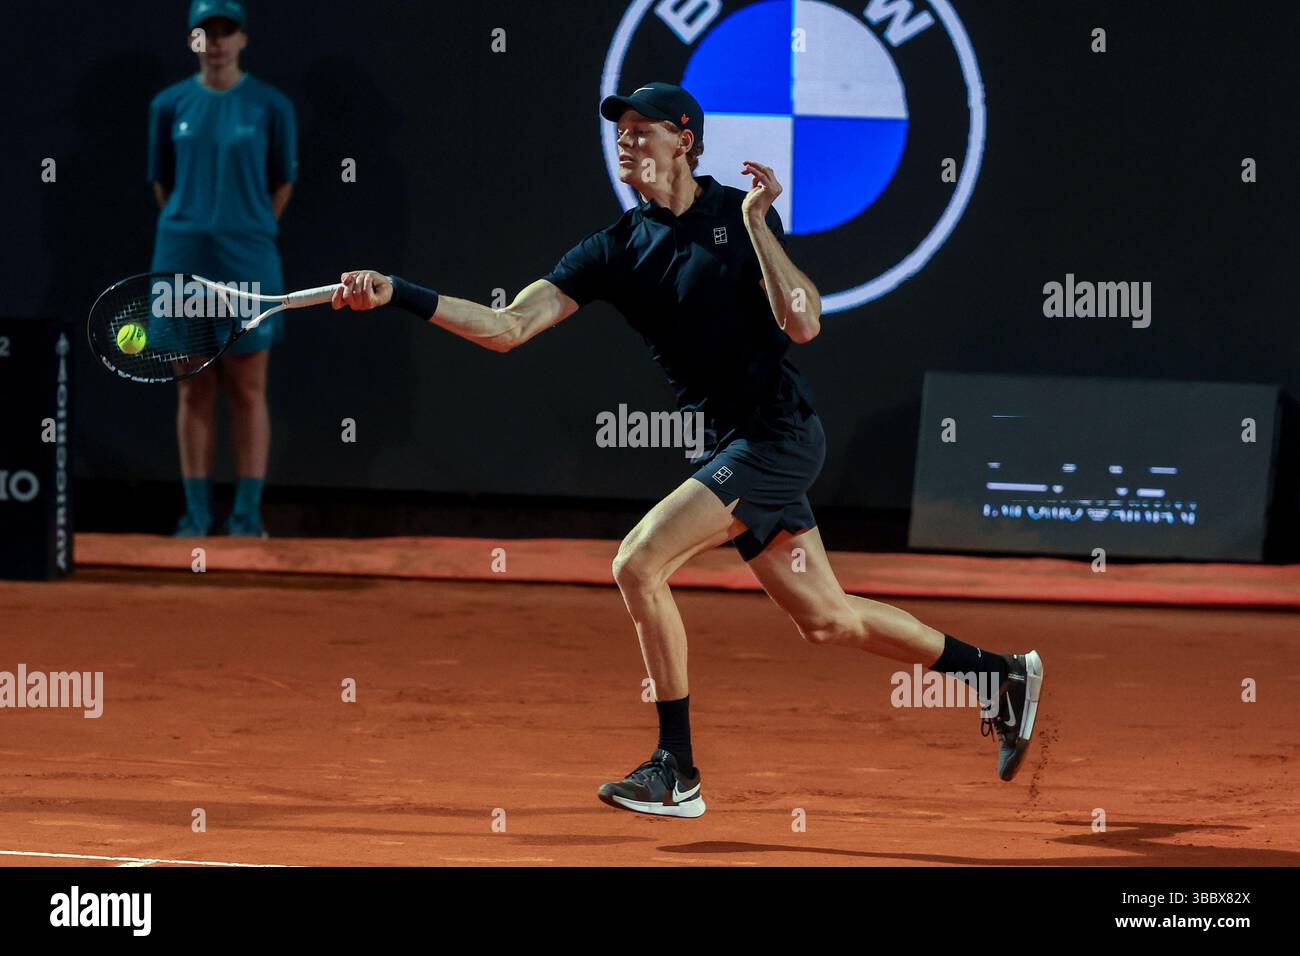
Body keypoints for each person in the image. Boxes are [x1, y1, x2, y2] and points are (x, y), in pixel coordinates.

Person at [332, 82, 1045, 817]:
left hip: (776, 436)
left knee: (637, 562)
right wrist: (397, 293)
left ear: (686, 140)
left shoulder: (737, 216)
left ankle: (677, 770)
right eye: (620, 131)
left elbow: (804, 326)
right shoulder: (612, 249)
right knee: (828, 619)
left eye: (643, 129)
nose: (627, 141)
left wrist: (759, 226)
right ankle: (996, 675)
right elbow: (507, 326)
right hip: (737, 447)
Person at [147, 0, 297, 537]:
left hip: (247, 258)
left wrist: (244, 227)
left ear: (242, 38)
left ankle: (247, 517)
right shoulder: (168, 105)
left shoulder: (270, 106)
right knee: (192, 387)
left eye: (225, 30)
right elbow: (162, 181)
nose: (215, 40)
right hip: (182, 258)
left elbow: (283, 182)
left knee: (249, 388)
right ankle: (196, 516)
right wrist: (195, 226)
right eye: (204, 31)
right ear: (192, 40)